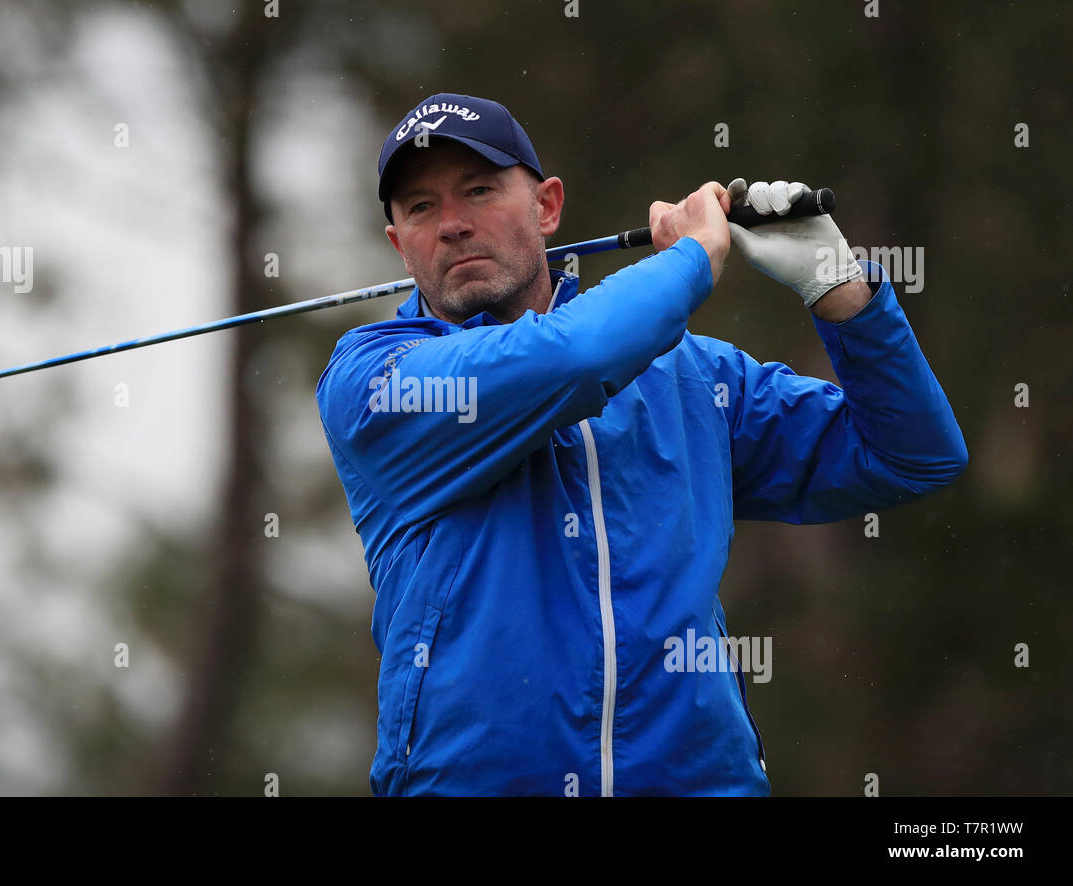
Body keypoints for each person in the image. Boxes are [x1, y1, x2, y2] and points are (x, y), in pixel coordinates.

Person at [314, 92, 968, 796]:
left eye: (478, 190)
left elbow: (913, 453)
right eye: (419, 207)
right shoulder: (374, 381)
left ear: (547, 207)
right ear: (398, 243)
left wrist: (843, 292)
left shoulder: (695, 377)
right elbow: (572, 359)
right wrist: (693, 258)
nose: (451, 225)